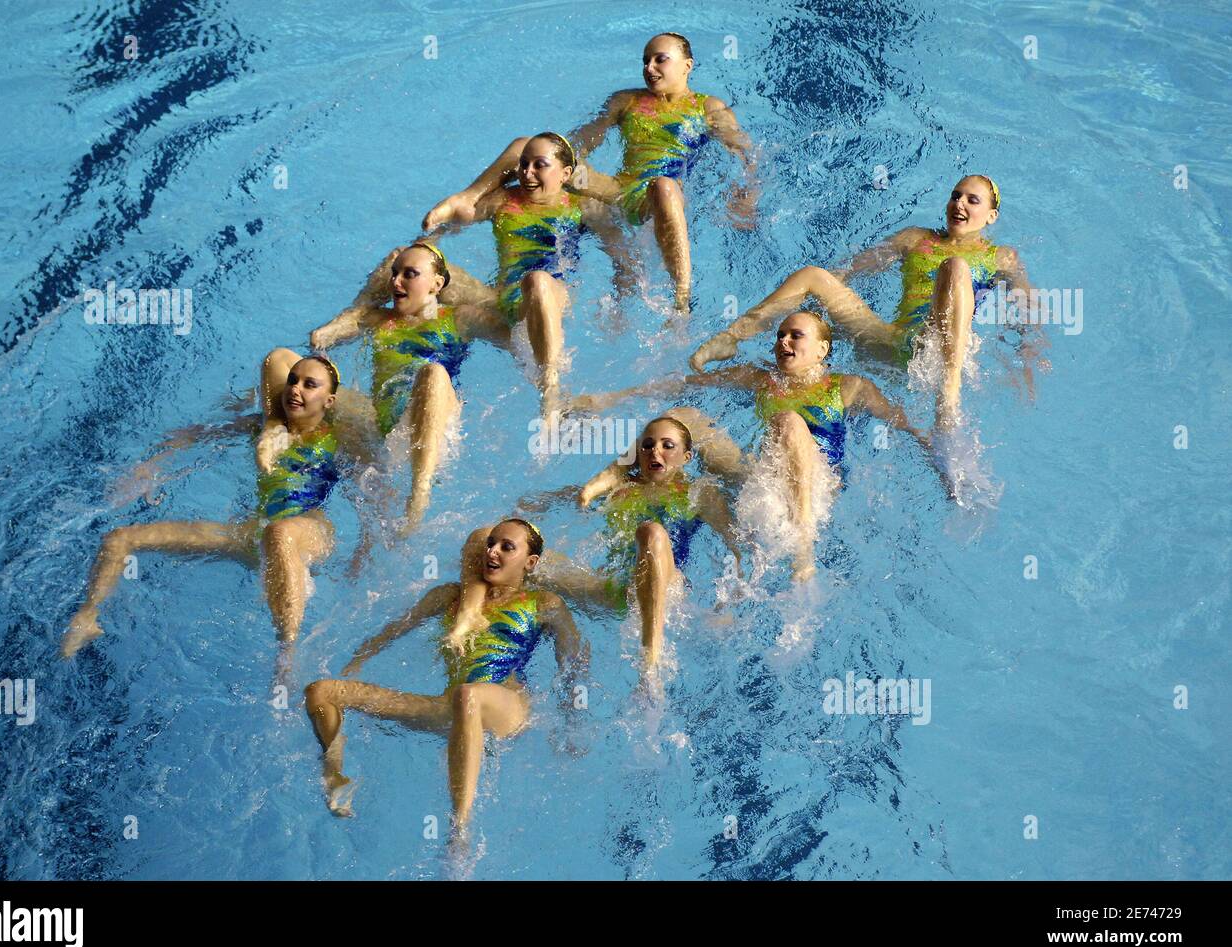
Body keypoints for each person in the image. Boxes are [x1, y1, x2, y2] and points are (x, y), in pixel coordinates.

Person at [577, 312, 932, 581]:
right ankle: (620, 476)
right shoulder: (760, 379)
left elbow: (905, 424)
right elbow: (687, 383)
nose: (783, 342)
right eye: (779, 335)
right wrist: (613, 398)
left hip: (817, 485)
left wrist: (943, 466)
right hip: (764, 477)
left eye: (795, 335)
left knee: (788, 422)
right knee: (676, 419)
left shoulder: (849, 386)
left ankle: (803, 541)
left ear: (823, 349)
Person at [423, 33, 759, 312]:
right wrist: (557, 161)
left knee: (664, 187)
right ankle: (466, 199)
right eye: (645, 60)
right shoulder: (625, 100)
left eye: (660, 59)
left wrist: (746, 195)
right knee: (531, 144)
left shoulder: (708, 108)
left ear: (688, 66)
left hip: (656, 198)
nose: (649, 67)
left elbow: (747, 155)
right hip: (614, 190)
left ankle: (682, 298)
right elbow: (585, 138)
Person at [61, 353, 345, 673]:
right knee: (120, 538)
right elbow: (191, 434)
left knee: (279, 533)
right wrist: (149, 467)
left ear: (329, 400)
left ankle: (287, 656)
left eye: (310, 385)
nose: (295, 389)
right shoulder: (259, 428)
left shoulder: (337, 437)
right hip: (254, 532)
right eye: (293, 380)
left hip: (309, 530)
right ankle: (87, 617)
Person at [691, 175, 1047, 427]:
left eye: (972, 200)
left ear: (991, 216)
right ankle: (729, 338)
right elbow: (848, 271)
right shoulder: (914, 238)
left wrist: (1030, 353)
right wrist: (816, 321)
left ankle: (948, 395)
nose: (959, 204)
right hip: (894, 342)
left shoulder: (1001, 257)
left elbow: (1027, 310)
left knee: (954, 269)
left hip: (938, 346)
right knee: (815, 274)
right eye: (956, 195)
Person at [304, 519, 587, 833]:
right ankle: (335, 774)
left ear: (530, 562)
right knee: (320, 691)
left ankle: (459, 832)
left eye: (506, 547)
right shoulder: (448, 598)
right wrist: (355, 664)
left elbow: (574, 658)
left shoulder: (543, 603)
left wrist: (571, 720)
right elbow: (391, 632)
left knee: (469, 694)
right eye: (491, 543)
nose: (492, 551)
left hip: (507, 708)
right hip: (450, 706)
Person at [450, 416, 738, 696]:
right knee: (484, 536)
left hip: (667, 590)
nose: (655, 451)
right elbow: (572, 496)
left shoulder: (699, 493)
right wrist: (551, 500)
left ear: (686, 457)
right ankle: (469, 616)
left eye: (667, 445)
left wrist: (725, 603)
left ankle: (651, 660)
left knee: (651, 534)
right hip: (613, 591)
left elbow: (737, 546)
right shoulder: (624, 489)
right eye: (648, 445)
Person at [299, 242, 512, 533]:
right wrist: (330, 330)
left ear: (437, 284)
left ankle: (419, 492)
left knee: (433, 373)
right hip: (387, 433)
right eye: (394, 273)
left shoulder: (459, 319)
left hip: (434, 430)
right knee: (293, 371)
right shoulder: (377, 320)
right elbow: (329, 331)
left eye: (409, 274)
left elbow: (515, 334)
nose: (395, 282)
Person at [419, 132, 621, 417]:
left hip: (549, 298)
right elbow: (453, 224)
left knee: (537, 280)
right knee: (412, 262)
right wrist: (431, 239)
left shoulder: (582, 208)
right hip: (501, 299)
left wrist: (620, 303)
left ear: (565, 174)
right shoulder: (503, 200)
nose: (527, 173)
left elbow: (622, 257)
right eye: (524, 164)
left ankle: (550, 387)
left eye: (540, 165)